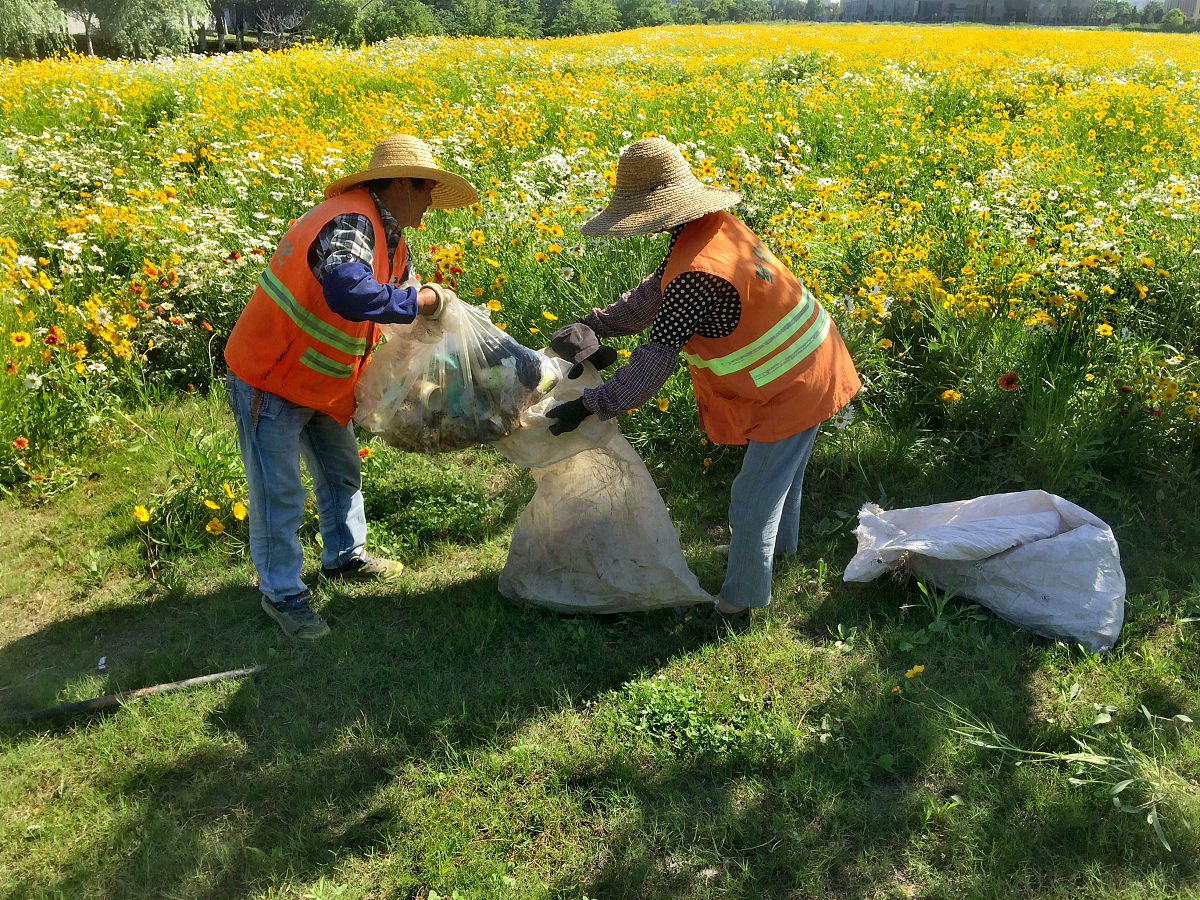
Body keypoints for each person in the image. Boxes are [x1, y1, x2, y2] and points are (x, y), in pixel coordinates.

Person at [547, 137, 861, 618]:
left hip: (796, 385)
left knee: (754, 497)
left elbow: (655, 360)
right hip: (811, 359)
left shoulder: (698, 273)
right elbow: (655, 292)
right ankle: (776, 552)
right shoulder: (711, 228)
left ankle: (738, 604)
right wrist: (596, 324)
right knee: (782, 477)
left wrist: (593, 404)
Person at [224, 134, 478, 640]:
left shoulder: (389, 237)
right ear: (402, 182)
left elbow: (399, 298)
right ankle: (282, 593)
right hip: (271, 377)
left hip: (320, 381)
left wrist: (449, 330)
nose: (431, 199)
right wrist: (425, 304)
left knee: (341, 473)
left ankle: (344, 556)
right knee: (279, 493)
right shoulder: (352, 221)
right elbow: (349, 289)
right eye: (426, 187)